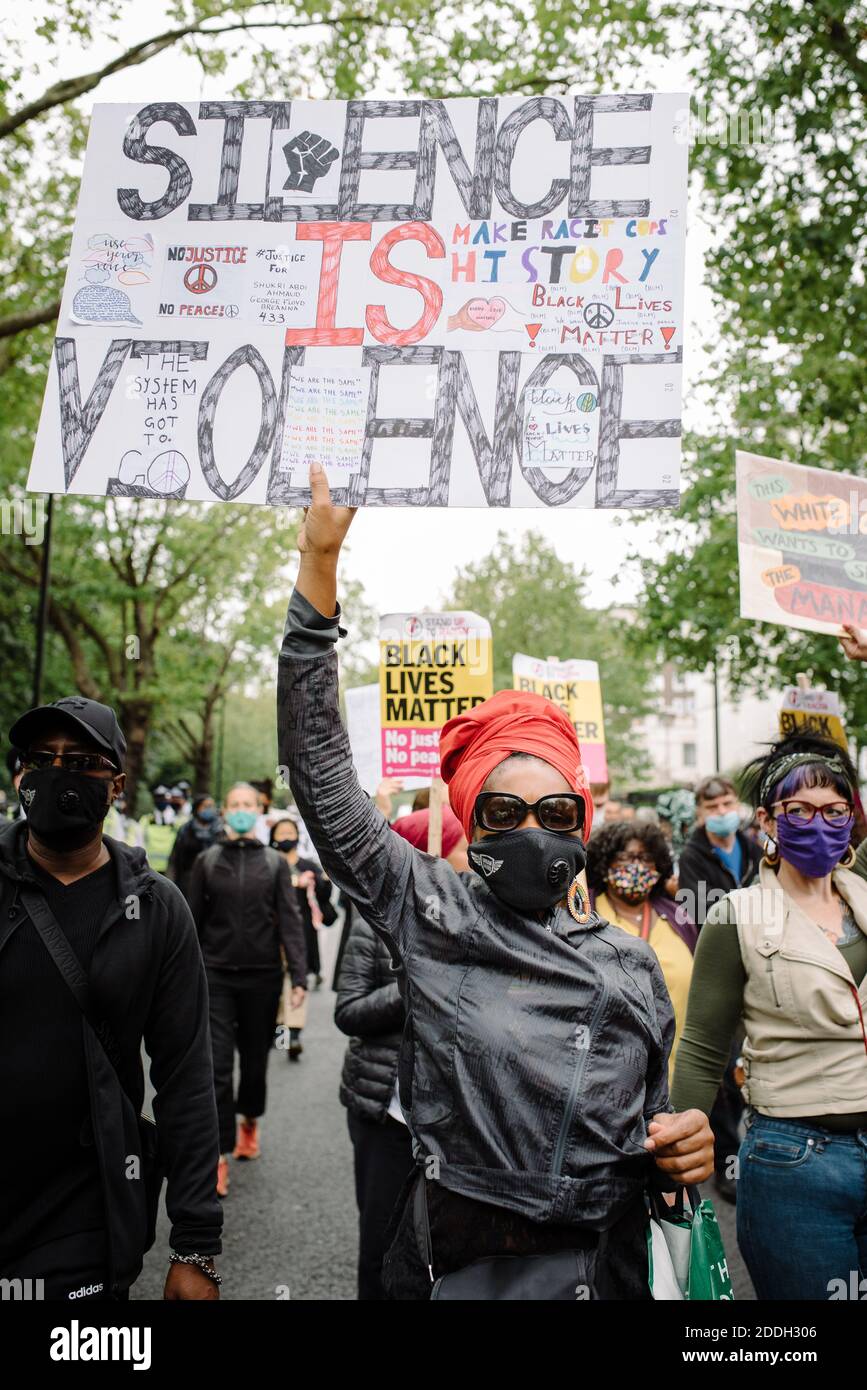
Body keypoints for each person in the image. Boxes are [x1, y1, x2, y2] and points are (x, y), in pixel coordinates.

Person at [276, 465, 713, 1301]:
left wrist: (683, 1144)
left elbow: (655, 1129)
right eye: (500, 813)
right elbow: (322, 778)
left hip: (601, 1269)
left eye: (552, 810)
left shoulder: (629, 965)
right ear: (469, 826)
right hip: (457, 1263)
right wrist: (317, 578)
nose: (528, 832)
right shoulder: (429, 913)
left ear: (580, 820)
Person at [0, 695, 222, 1300]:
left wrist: (195, 1245)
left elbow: (185, 1078)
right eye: (40, 759)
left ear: (116, 786)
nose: (57, 772)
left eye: (81, 761)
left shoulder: (155, 909)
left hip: (84, 1216)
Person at [672, 731, 867, 1300]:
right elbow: (704, 1046)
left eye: (835, 811)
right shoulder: (737, 916)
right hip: (794, 1163)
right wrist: (676, 1157)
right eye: (799, 810)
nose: (819, 822)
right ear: (768, 821)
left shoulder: (863, 892)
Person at [335, 803, 468, 1301]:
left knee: (449, 1246)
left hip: (457, 1123)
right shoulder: (373, 921)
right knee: (384, 1243)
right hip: (386, 1116)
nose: (470, 861)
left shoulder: (476, 920)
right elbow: (348, 1010)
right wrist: (414, 984)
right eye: (460, 849)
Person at [187, 782, 306, 1197]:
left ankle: (249, 1122)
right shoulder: (207, 860)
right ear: (224, 810)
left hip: (263, 977)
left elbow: (291, 921)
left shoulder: (275, 863)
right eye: (234, 804)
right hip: (215, 976)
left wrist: (300, 979)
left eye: (247, 805)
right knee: (217, 1068)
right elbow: (191, 924)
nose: (240, 810)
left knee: (254, 1062)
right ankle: (218, 1154)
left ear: (259, 811)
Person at [676, 773, 762, 1200]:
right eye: (712, 808)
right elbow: (704, 913)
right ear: (700, 813)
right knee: (726, 1072)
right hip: (724, 972)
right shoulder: (693, 855)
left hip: (761, 969)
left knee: (755, 1064)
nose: (723, 813)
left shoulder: (753, 845)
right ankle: (728, 1161)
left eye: (727, 803)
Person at [586, 822, 697, 1076]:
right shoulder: (583, 914)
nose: (636, 865)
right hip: (603, 1076)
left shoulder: (679, 918)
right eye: (625, 856)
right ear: (605, 863)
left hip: (675, 1075)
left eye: (645, 858)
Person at [270, 815, 336, 1059]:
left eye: (290, 832)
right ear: (273, 838)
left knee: (297, 978)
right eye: (281, 833)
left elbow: (324, 895)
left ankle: (294, 1031)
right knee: (277, 978)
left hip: (301, 934)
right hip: (270, 934)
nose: (286, 837)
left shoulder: (309, 866)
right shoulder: (267, 863)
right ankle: (280, 1025)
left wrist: (322, 879)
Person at [167, 793, 221, 899]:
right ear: (197, 808)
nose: (210, 810)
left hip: (213, 884)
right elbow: (175, 859)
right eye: (206, 806)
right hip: (187, 884)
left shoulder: (219, 831)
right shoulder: (185, 830)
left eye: (211, 806)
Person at [137, 784, 179, 874]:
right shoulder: (146, 820)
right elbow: (139, 842)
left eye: (163, 798)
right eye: (158, 797)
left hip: (171, 868)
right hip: (149, 868)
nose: (161, 801)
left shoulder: (176, 821)